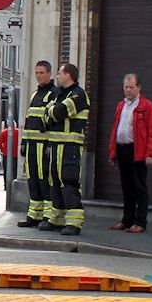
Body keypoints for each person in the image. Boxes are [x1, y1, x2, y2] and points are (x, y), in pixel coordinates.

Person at [37, 63, 90, 235]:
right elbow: (46, 115)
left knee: (69, 181)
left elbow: (58, 112)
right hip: (55, 146)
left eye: (60, 73)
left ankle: (74, 223)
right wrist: (51, 112)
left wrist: (51, 112)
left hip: (70, 148)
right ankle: (56, 219)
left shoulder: (78, 94)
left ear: (68, 75)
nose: (57, 77)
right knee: (54, 182)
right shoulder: (60, 94)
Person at [107, 73, 152, 233]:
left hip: (137, 151)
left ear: (138, 87)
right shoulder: (121, 105)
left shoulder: (147, 106)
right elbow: (115, 130)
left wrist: (151, 153)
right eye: (126, 87)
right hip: (122, 149)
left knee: (139, 187)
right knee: (126, 187)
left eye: (131, 87)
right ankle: (127, 219)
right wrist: (112, 153)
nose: (128, 90)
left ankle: (140, 221)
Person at [17, 61, 58, 228]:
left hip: (44, 145)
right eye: (36, 73)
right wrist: (24, 142)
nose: (38, 76)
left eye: (41, 73)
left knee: (44, 180)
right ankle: (33, 215)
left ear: (49, 74)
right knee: (32, 179)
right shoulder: (35, 94)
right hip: (32, 145)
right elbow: (28, 120)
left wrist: (49, 145)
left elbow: (54, 121)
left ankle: (47, 216)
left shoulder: (54, 94)